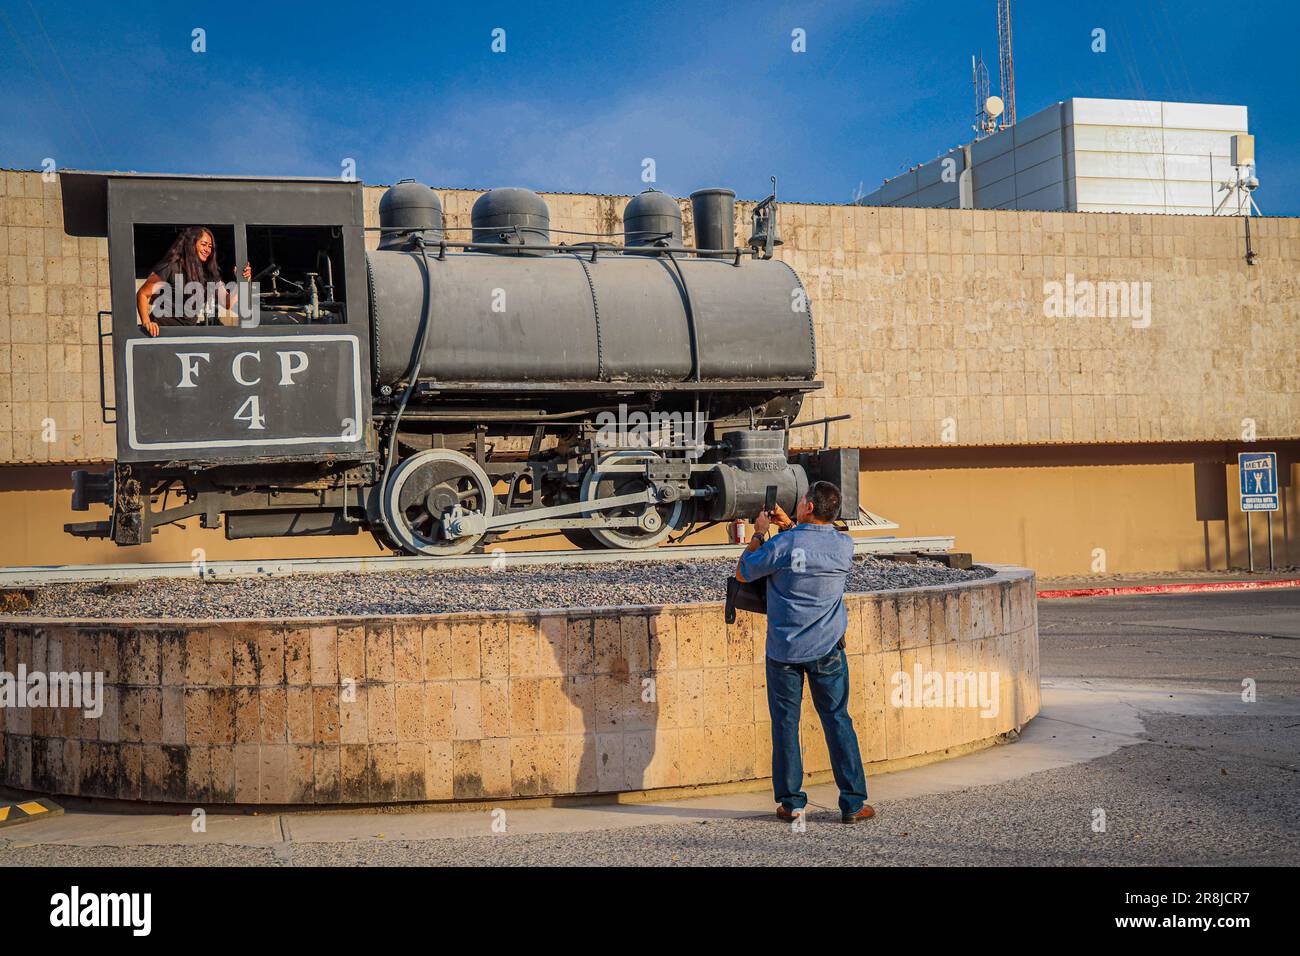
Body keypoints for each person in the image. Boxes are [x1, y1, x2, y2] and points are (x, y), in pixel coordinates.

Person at [736, 480, 873, 824]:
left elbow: (743, 571)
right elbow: (811, 550)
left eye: (802, 501)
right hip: (828, 649)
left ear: (809, 506)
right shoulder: (844, 545)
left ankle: (792, 803)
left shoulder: (783, 543)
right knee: (838, 720)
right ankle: (853, 803)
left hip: (784, 651)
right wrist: (790, 527)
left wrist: (760, 533)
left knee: (786, 724)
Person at [136, 226, 251, 335]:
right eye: (204, 244)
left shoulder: (209, 273)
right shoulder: (171, 267)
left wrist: (241, 281)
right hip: (161, 330)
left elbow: (227, 303)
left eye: (210, 246)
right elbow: (143, 294)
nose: (207, 250)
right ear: (191, 244)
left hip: (187, 333)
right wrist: (147, 323)